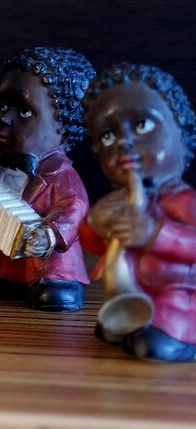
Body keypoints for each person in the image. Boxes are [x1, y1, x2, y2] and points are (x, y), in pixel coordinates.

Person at [0, 47, 95, 311]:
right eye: (4, 106)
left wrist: (50, 235)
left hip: (50, 264)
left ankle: (59, 282)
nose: (4, 118)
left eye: (25, 111)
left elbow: (74, 211)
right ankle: (8, 278)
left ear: (63, 125)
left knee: (52, 293)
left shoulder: (62, 177)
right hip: (9, 259)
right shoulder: (3, 163)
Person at [79, 63, 196, 361]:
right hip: (134, 293)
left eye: (142, 126)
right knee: (111, 333)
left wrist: (154, 233)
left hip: (180, 296)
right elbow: (95, 245)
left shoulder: (183, 200)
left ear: (182, 133)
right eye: (107, 136)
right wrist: (95, 223)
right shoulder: (120, 200)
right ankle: (133, 320)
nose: (123, 143)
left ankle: (177, 335)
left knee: (152, 343)